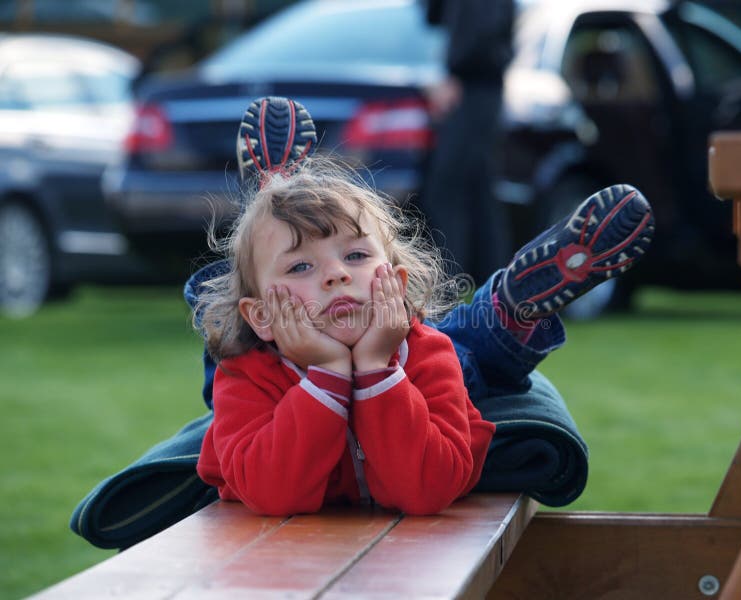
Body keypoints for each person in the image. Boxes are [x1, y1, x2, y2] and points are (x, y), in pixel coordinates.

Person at [192, 96, 655, 517]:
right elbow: (274, 495)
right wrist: (329, 373)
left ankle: (509, 309)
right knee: (223, 314)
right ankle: (275, 191)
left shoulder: (426, 353)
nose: (336, 274)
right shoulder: (246, 373)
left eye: (355, 256)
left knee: (460, 356)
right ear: (265, 317)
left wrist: (375, 367)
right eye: (301, 268)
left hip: (411, 354)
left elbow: (427, 491)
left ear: (395, 281)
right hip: (266, 351)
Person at [421, 0, 515, 282]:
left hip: (471, 88)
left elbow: (482, 33)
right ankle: (498, 288)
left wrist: (456, 75)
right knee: (477, 192)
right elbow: (432, 15)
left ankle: (449, 287)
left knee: (450, 190)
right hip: (471, 86)